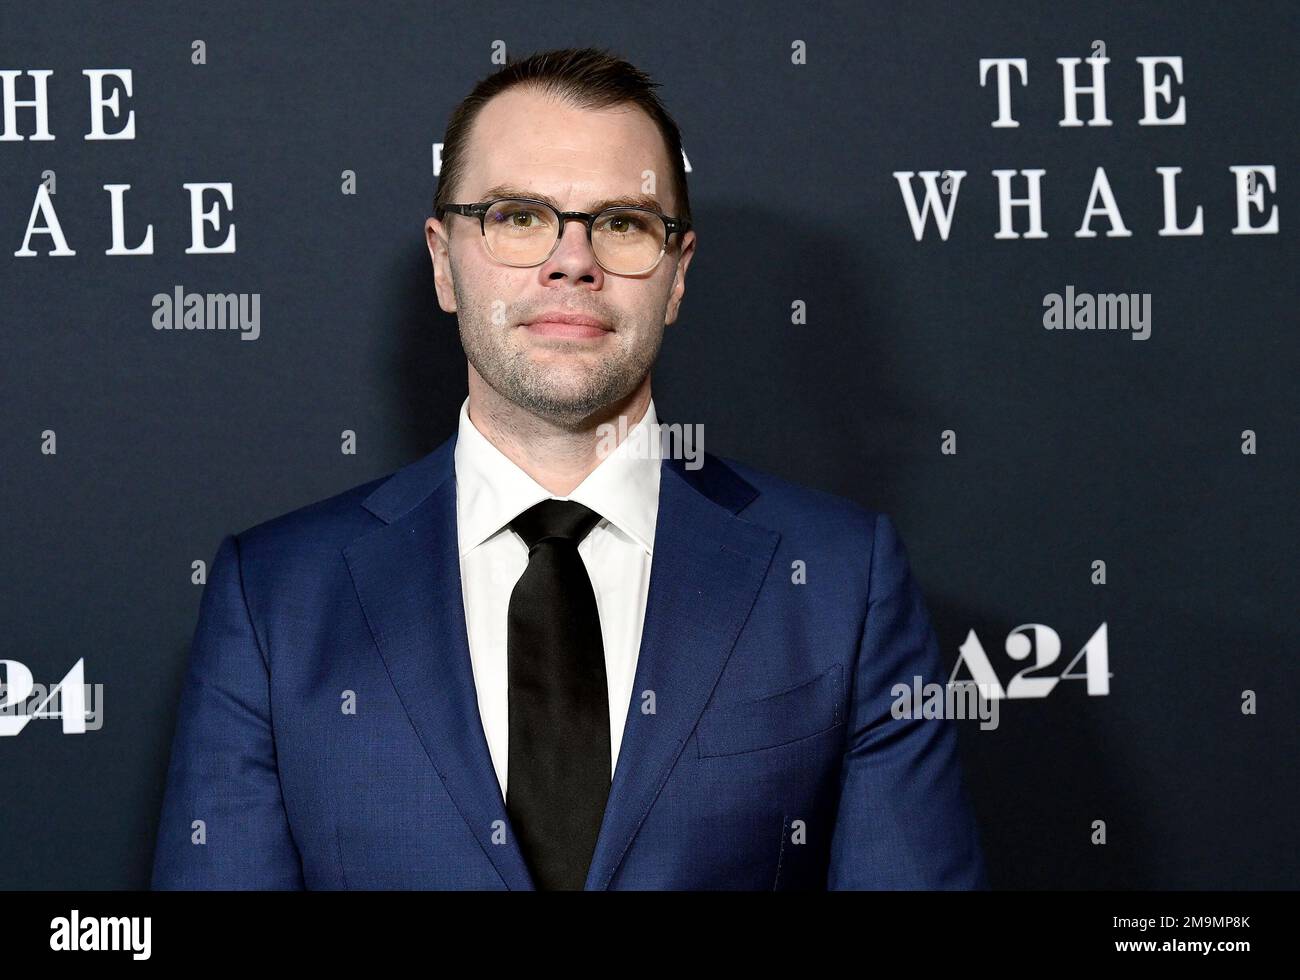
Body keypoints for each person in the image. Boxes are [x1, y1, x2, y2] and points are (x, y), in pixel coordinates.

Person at [150, 46, 989, 890]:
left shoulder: (843, 581)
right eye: (519, 216)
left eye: (622, 223)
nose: (572, 260)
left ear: (677, 276)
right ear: (445, 263)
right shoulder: (275, 598)